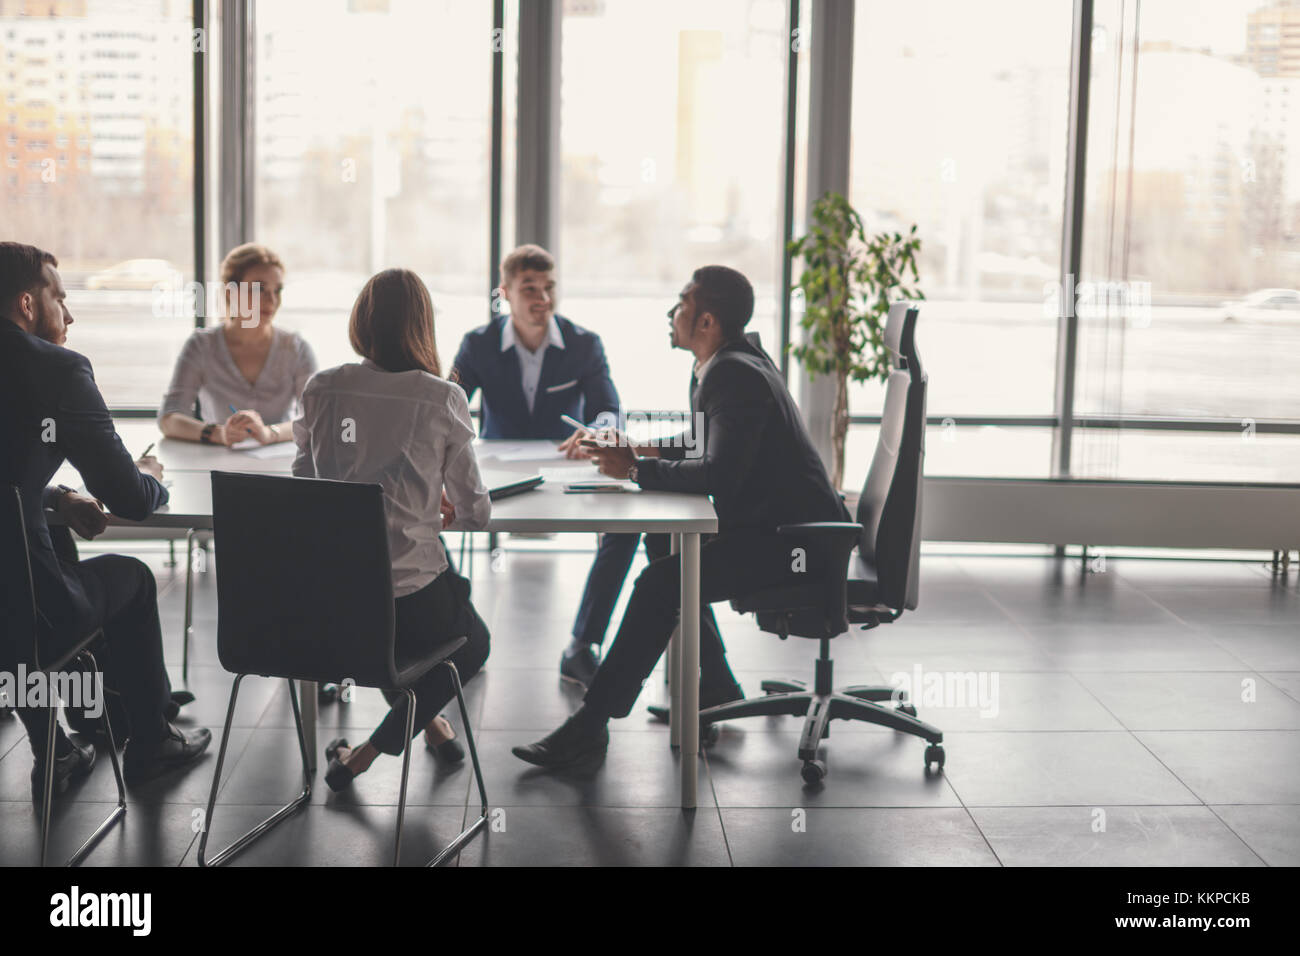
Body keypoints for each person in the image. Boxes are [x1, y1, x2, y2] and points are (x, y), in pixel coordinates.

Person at [512, 265, 852, 773]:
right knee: (662, 539)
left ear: (707, 320)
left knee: (658, 584)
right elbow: (704, 440)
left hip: (797, 547)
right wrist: (632, 448)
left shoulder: (731, 372)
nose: (672, 313)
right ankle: (714, 688)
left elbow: (720, 473)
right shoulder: (735, 360)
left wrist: (634, 470)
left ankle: (590, 726)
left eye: (682, 304)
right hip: (782, 532)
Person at [0, 242, 212, 801]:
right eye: (60, 298)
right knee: (133, 579)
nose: (70, 315)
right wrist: (149, 471)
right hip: (27, 617)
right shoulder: (57, 370)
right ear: (26, 303)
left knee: (43, 563)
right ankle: (150, 738)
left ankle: (60, 749)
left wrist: (54, 497)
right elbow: (130, 498)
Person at [292, 267, 493, 790]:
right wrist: (438, 510)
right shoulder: (441, 399)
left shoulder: (323, 388)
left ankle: (435, 730)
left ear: (362, 323)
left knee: (392, 652)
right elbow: (476, 513)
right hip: (412, 606)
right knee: (473, 645)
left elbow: (303, 487)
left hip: (329, 606)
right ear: (423, 327)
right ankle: (363, 756)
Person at [450, 243, 636, 687]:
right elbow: (448, 406)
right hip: (498, 471)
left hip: (566, 470)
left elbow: (610, 409)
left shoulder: (584, 344)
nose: (543, 299)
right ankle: (461, 635)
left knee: (624, 531)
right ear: (505, 294)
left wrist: (599, 429)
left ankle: (582, 644)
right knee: (429, 516)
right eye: (529, 288)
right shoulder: (477, 344)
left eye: (549, 288)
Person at [159, 242, 316, 447]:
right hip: (218, 461)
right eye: (259, 289)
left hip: (281, 467)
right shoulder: (201, 346)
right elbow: (169, 418)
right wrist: (219, 434)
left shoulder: (296, 348)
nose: (271, 300)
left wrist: (270, 433)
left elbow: (315, 418)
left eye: (277, 290)